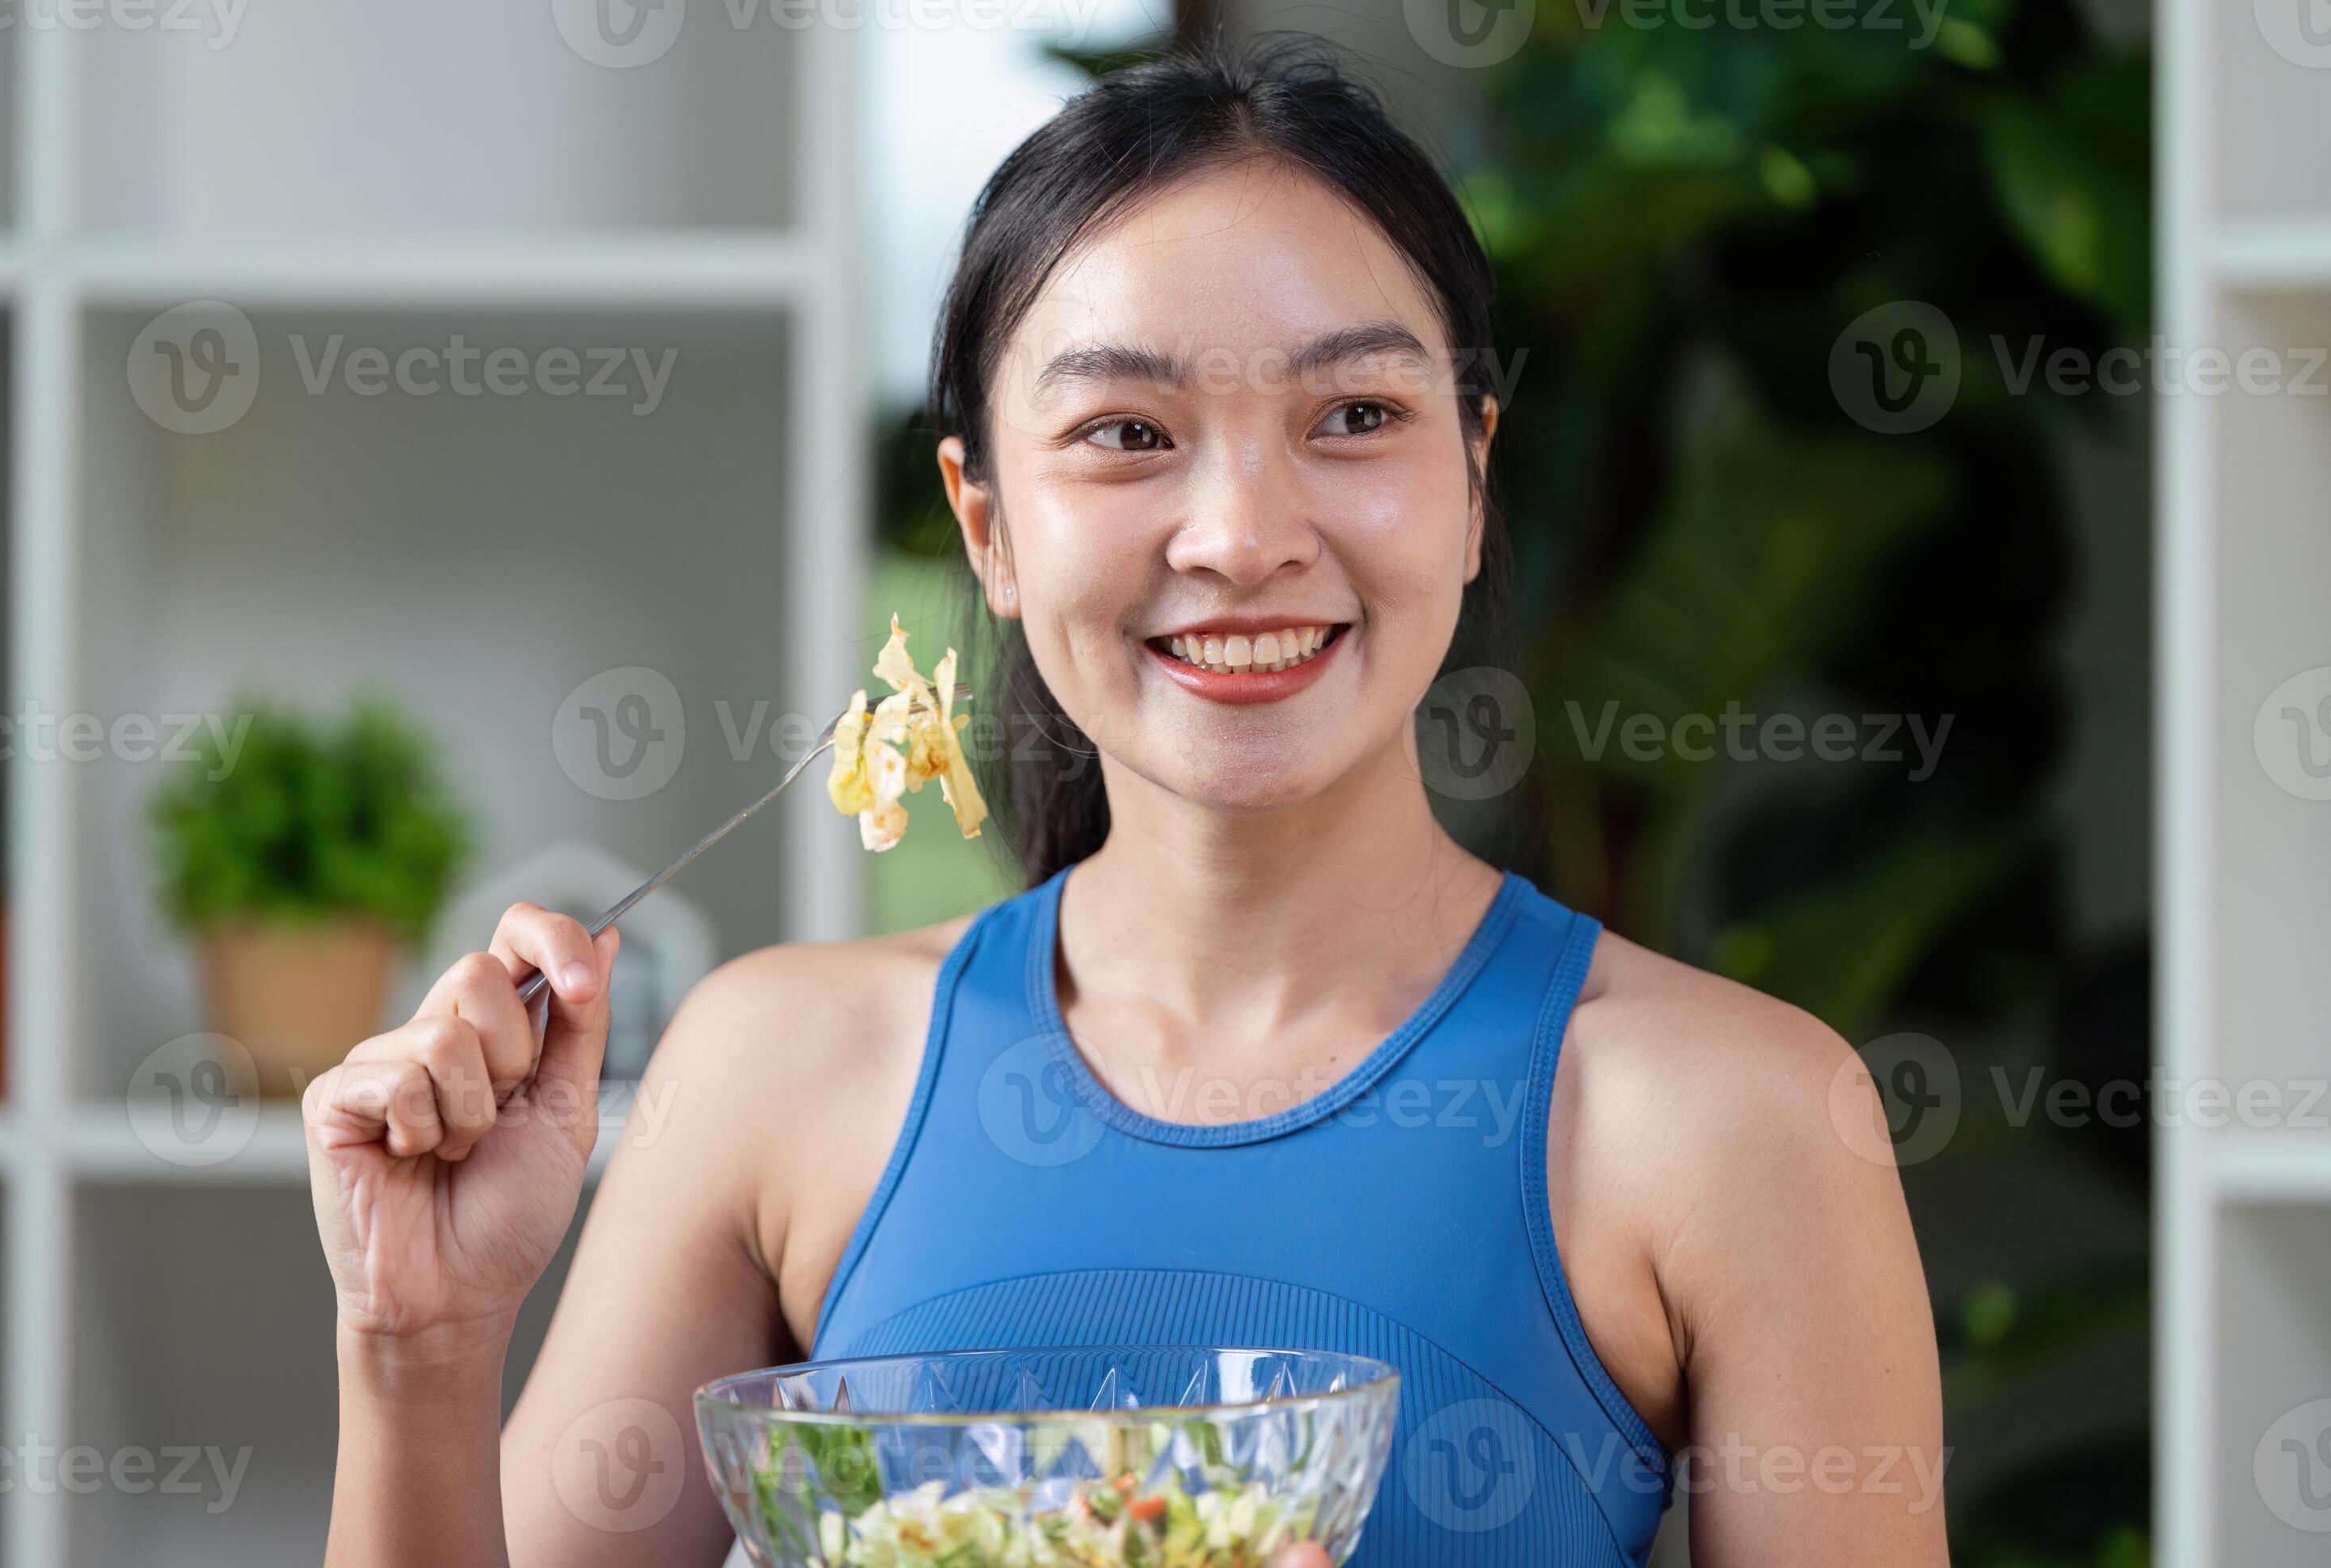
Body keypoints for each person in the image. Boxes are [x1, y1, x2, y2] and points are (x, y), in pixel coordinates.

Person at [306, 36, 1947, 1568]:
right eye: (1127, 431)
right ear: (987, 524)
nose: (1242, 533)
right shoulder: (777, 1068)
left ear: (1471, 478)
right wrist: (420, 1342)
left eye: (1356, 416)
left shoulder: (1735, 1116)